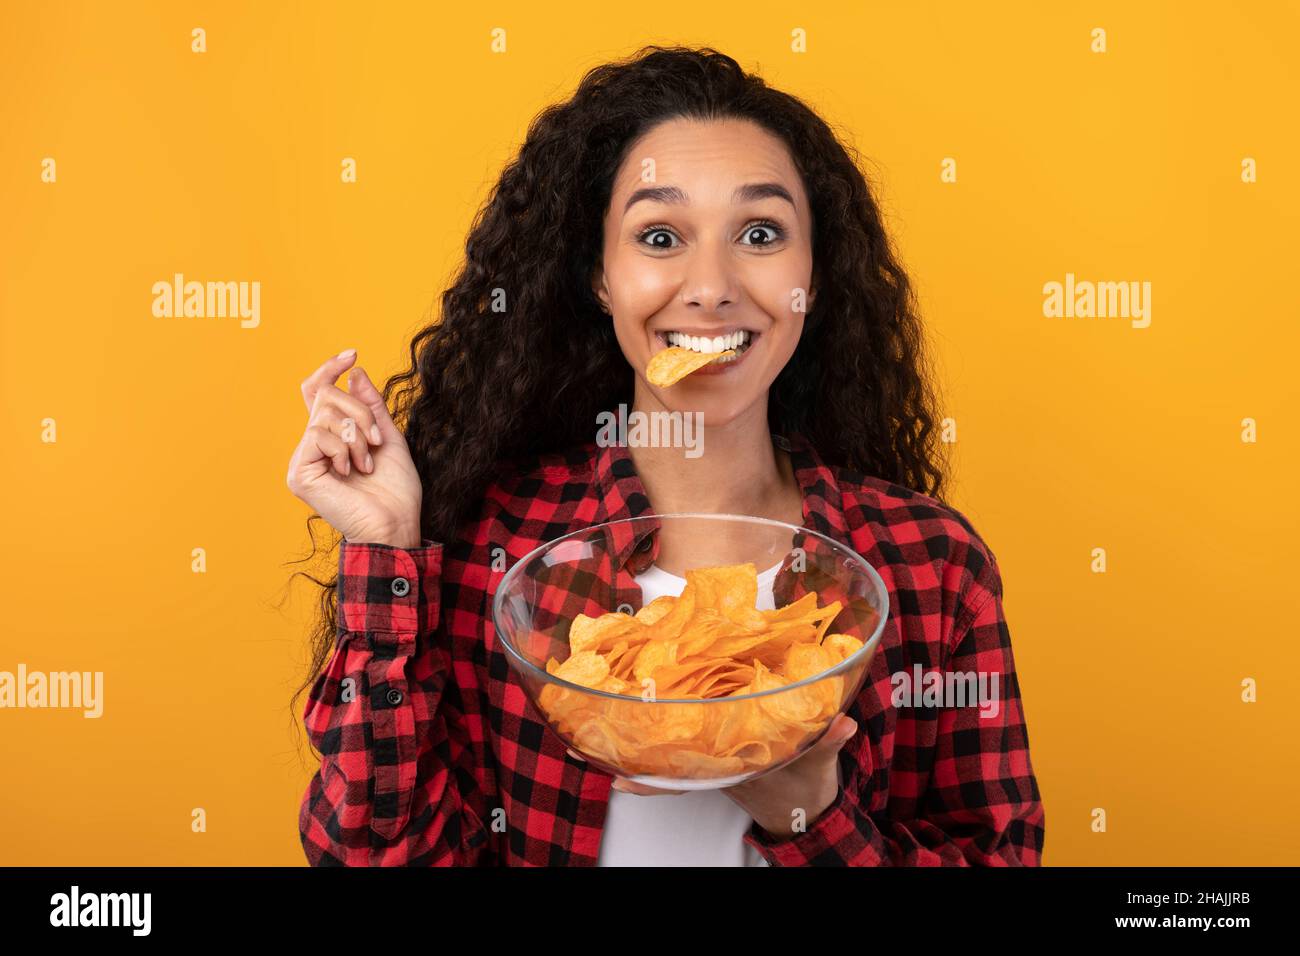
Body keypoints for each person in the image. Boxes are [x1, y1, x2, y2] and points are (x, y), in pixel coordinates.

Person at [286, 45, 1045, 866]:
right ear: (602, 279)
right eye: (659, 235)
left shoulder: (930, 566)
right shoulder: (499, 549)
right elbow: (369, 854)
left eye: (759, 232)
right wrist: (387, 545)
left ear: (814, 278)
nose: (711, 285)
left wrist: (807, 814)